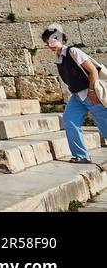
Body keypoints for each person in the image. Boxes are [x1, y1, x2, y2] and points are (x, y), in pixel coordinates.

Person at [42, 24, 107, 164]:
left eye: (54, 40)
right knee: (70, 120)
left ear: (61, 39)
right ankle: (81, 155)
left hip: (91, 93)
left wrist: (92, 91)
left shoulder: (74, 52)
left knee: (105, 125)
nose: (51, 44)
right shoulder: (59, 58)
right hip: (77, 96)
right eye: (48, 42)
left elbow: (93, 71)